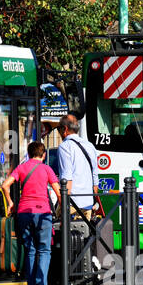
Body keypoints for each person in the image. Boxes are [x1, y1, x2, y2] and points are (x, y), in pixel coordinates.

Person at [0, 141, 62, 285]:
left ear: (28, 154)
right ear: (44, 154)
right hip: (42, 214)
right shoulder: (47, 169)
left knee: (30, 250)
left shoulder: (21, 168)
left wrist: (11, 203)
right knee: (44, 249)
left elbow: (5, 185)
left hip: (24, 213)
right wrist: (62, 210)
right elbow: (59, 193)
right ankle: (41, 284)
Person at [56, 110, 107, 274]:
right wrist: (93, 200)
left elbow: (66, 178)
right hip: (87, 201)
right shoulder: (89, 145)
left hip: (72, 202)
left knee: (63, 236)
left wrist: (63, 204)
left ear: (64, 130)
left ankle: (68, 275)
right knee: (84, 237)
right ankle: (87, 269)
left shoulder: (65, 147)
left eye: (59, 131)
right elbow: (95, 176)